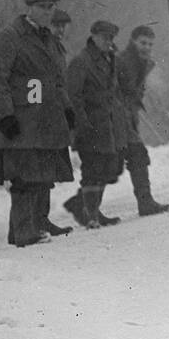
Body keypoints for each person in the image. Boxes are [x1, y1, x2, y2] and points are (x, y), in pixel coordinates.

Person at [0, 0, 76, 247]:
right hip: (22, 117)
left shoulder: (47, 38)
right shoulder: (11, 36)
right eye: (43, 7)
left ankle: (38, 223)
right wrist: (4, 115)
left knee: (44, 173)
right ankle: (23, 230)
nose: (48, 12)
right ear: (30, 9)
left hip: (47, 117)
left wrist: (67, 108)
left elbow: (56, 80)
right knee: (24, 175)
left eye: (51, 7)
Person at [63, 20, 129, 228]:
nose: (108, 42)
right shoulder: (81, 62)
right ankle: (90, 214)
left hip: (108, 127)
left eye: (111, 38)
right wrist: (83, 124)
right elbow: (73, 96)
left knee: (107, 169)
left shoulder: (110, 59)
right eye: (104, 38)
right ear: (93, 36)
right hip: (90, 127)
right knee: (92, 170)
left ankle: (86, 208)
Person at [116, 25, 169, 217]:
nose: (146, 47)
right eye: (142, 43)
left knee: (135, 156)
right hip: (117, 118)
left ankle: (145, 202)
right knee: (129, 157)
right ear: (133, 41)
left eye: (150, 44)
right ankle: (86, 208)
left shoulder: (141, 62)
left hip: (127, 117)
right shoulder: (125, 62)